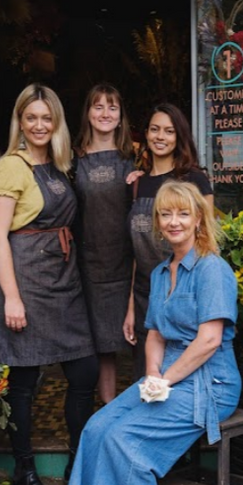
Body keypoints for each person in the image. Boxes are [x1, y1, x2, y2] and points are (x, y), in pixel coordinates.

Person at [43, 180, 240, 485]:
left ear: (199, 218)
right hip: (167, 375)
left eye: (183, 213)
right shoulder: (160, 271)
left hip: (210, 385)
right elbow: (154, 333)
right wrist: (152, 374)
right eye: (165, 214)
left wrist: (165, 381)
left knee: (125, 437)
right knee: (98, 426)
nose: (174, 221)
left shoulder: (211, 269)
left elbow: (209, 341)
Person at [0, 84, 99, 485]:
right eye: (30, 118)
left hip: (63, 280)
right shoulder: (11, 167)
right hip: (26, 280)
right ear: (19, 121)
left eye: (45, 118)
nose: (38, 125)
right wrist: (12, 298)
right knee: (25, 381)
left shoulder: (56, 164)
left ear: (56, 123)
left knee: (83, 372)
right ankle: (24, 469)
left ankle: (76, 461)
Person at [124, 103, 213, 381]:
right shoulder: (136, 184)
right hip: (144, 297)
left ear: (179, 137)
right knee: (145, 377)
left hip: (184, 296)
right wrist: (130, 309)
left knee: (180, 377)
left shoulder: (194, 179)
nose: (160, 137)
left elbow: (207, 239)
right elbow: (135, 255)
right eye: (154, 129)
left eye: (168, 131)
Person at [73, 83, 136, 403]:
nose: (105, 113)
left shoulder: (135, 159)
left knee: (142, 342)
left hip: (129, 264)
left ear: (121, 115)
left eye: (112, 107)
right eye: (98, 106)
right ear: (87, 113)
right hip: (89, 267)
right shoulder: (72, 160)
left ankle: (144, 417)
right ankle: (109, 413)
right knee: (103, 349)